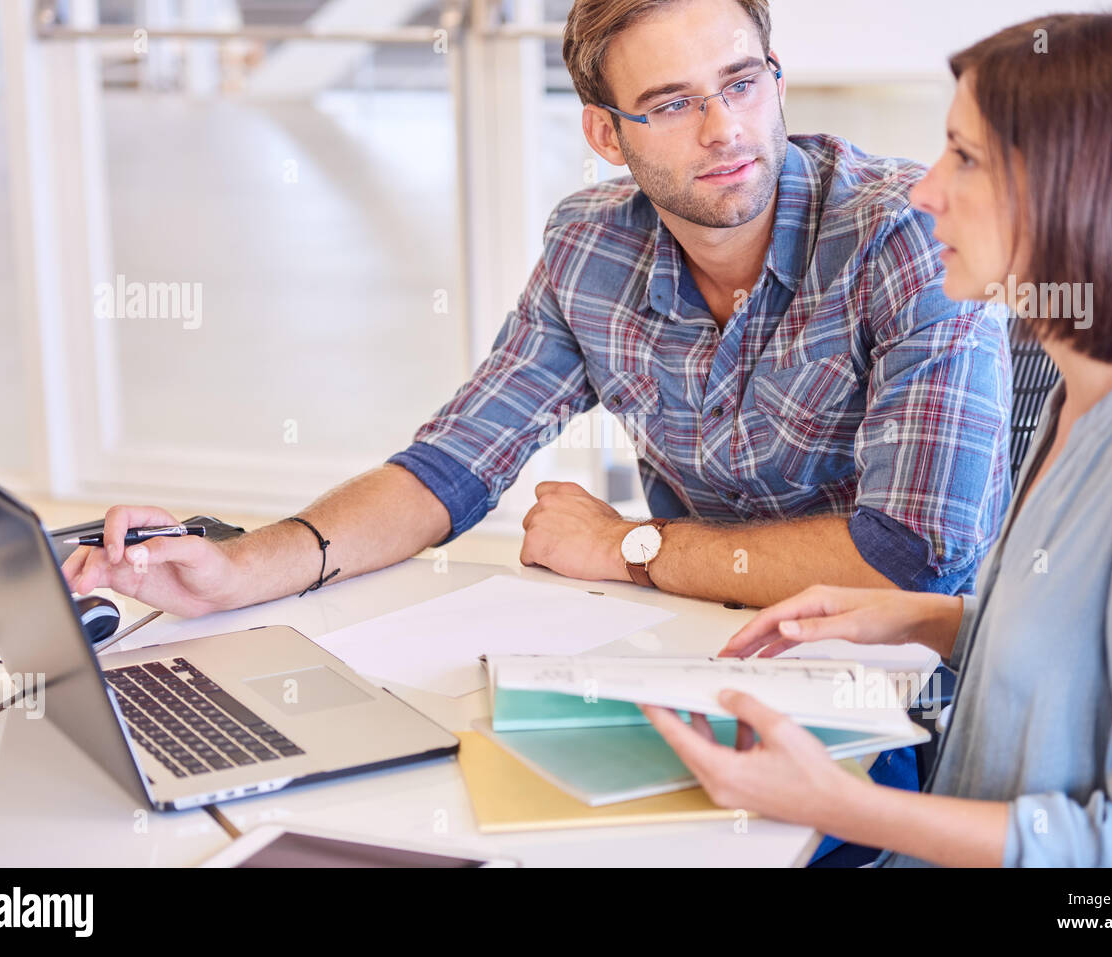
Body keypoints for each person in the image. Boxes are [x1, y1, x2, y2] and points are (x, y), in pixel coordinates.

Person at [61, 0, 1012, 858]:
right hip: (689, 664)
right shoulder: (592, 244)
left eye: (741, 82)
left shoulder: (904, 234)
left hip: (887, 707)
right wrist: (244, 566)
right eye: (674, 103)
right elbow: (451, 465)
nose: (727, 130)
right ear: (606, 132)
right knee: (398, 789)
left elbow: (908, 558)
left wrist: (629, 546)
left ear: (777, 78)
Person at [643, 10, 1112, 867]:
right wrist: (924, 618)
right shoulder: (1082, 391)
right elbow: (1087, 657)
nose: (925, 190)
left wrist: (841, 803)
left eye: (965, 157)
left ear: (1076, 185)